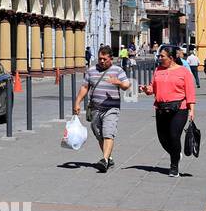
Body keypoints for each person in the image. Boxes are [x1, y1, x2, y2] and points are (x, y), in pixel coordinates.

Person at [141, 44, 196, 177]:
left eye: (162, 56)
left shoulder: (184, 72)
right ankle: (176, 153)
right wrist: (147, 89)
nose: (159, 58)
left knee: (174, 136)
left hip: (179, 109)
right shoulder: (158, 70)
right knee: (162, 138)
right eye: (159, 56)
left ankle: (174, 167)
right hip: (161, 109)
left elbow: (190, 92)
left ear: (171, 58)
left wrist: (191, 110)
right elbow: (152, 88)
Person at [74, 45, 131, 174]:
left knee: (108, 133)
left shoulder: (118, 70)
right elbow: (84, 87)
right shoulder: (91, 70)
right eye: (100, 58)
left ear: (111, 58)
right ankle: (109, 158)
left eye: (105, 59)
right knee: (99, 134)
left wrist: (119, 83)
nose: (102, 61)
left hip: (111, 108)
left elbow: (127, 85)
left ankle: (104, 160)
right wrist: (77, 102)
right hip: (95, 109)